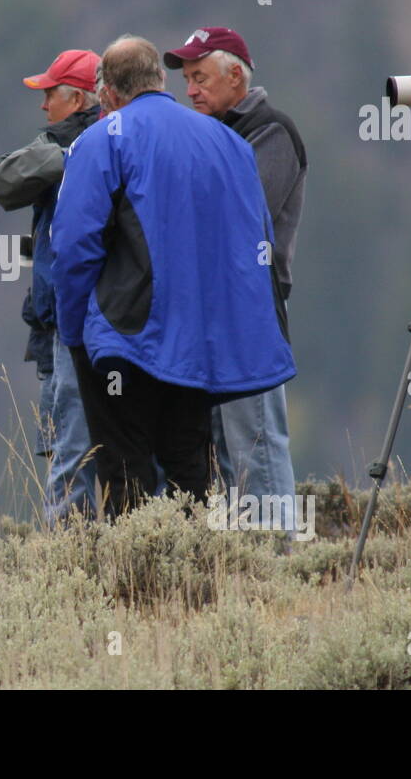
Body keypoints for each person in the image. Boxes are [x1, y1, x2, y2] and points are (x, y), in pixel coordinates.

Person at [51, 35, 295, 517]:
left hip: (124, 337)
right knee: (190, 470)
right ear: (160, 81)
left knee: (125, 470)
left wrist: (75, 331)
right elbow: (253, 243)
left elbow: (74, 246)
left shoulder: (101, 139)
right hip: (199, 340)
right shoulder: (227, 141)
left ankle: (140, 584)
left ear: (108, 94)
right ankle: (195, 584)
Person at [165, 27, 306, 533]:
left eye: (199, 77)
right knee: (224, 446)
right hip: (210, 311)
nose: (191, 90)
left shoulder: (271, 131)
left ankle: (276, 561)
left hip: (250, 312)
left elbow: (245, 218)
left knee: (256, 444)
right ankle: (247, 568)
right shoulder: (216, 134)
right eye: (186, 80)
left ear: (235, 76)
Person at [0, 50, 100, 524]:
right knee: (72, 450)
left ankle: (63, 566)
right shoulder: (66, 144)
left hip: (77, 328)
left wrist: (67, 153)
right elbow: (3, 182)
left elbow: (1, 180)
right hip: (71, 325)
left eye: (50, 93)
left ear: (76, 98)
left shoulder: (89, 145)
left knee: (71, 455)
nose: (42, 105)